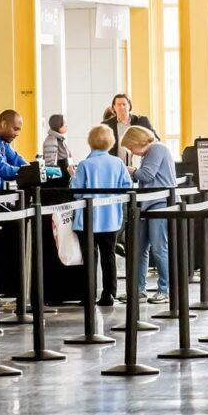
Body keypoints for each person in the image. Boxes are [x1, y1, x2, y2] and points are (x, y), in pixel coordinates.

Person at [70, 126, 133, 307]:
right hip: (111, 218)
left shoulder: (84, 165)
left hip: (88, 220)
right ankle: (109, 294)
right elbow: (126, 186)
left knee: (89, 257)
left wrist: (71, 176)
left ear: (90, 142)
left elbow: (76, 193)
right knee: (109, 256)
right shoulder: (118, 163)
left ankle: (88, 294)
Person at [121, 125, 175, 303]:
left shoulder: (157, 149)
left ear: (137, 141)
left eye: (131, 147)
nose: (132, 151)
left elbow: (147, 175)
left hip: (158, 204)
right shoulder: (152, 152)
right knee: (140, 249)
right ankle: (138, 290)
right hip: (148, 205)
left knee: (159, 249)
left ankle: (165, 289)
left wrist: (132, 171)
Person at [104, 93, 158, 157]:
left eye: (124, 104)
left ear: (129, 105)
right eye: (119, 105)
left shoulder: (142, 121)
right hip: (115, 164)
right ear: (114, 107)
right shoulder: (106, 125)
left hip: (138, 164)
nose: (122, 107)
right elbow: (101, 147)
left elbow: (156, 140)